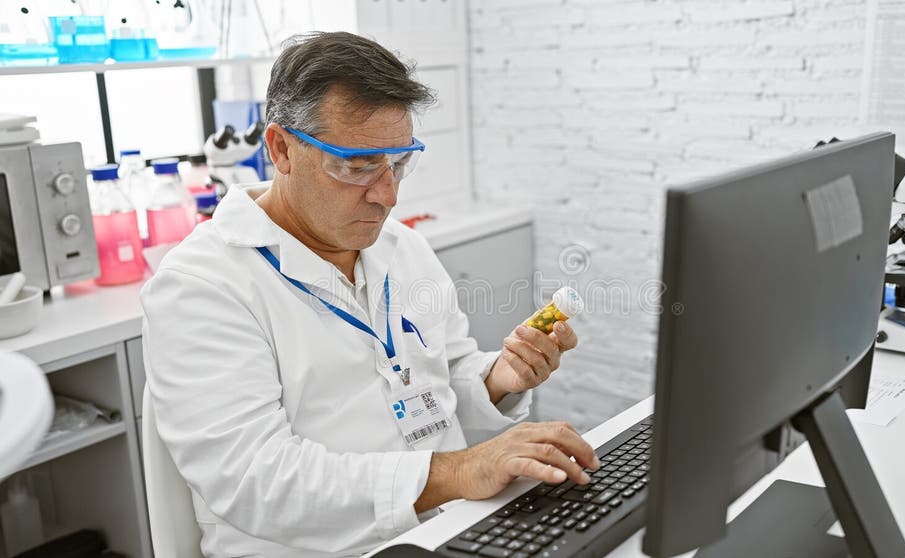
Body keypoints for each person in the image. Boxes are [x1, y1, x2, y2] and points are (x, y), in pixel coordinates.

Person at [141, 31, 598, 557]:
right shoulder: (200, 288)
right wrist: (458, 471)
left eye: (398, 163)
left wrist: (497, 381)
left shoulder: (404, 248)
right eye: (357, 166)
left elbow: (441, 388)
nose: (387, 194)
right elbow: (256, 482)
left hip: (446, 531)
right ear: (281, 148)